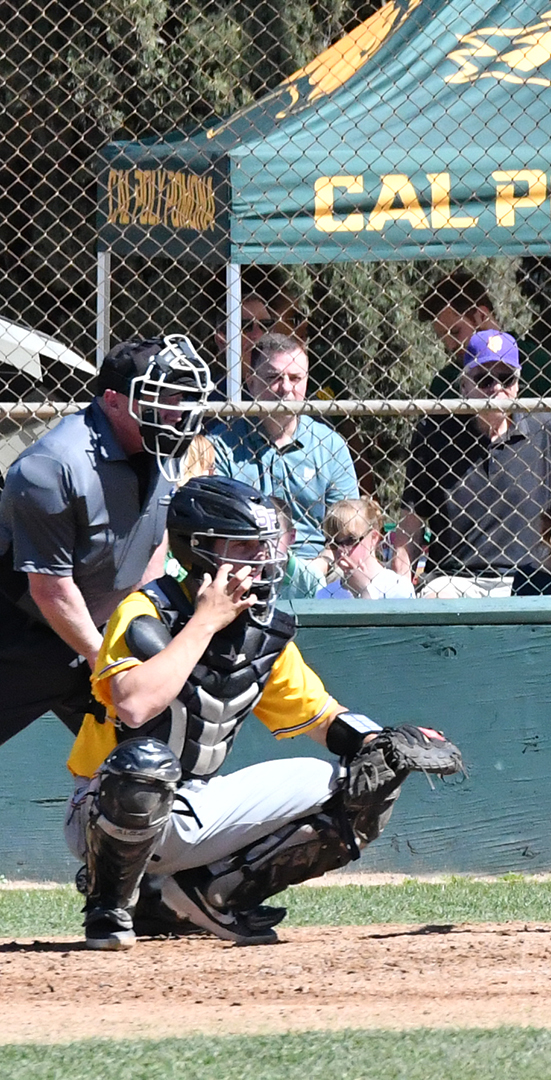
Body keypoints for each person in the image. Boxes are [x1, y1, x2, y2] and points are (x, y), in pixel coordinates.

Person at [65, 476, 461, 949]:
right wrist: (205, 621)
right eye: (244, 546)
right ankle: (109, 905)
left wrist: (383, 741)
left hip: (194, 808)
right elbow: (134, 705)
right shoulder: (145, 610)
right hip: (101, 813)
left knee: (356, 780)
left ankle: (205, 894)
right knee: (146, 762)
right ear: (200, 548)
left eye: (264, 546)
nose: (261, 559)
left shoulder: (260, 632)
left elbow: (323, 717)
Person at [0, 336, 212, 748]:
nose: (177, 412)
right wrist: (108, 662)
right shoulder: (53, 466)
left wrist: (137, 629)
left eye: (182, 398)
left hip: (98, 630)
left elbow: (152, 539)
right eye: (163, 398)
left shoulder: (159, 444)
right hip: (21, 633)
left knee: (152, 750)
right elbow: (51, 590)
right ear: (112, 401)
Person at [394, 330, 551, 596]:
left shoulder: (545, 430)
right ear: (464, 386)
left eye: (506, 379)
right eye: (484, 379)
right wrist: (400, 589)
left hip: (528, 579)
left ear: (517, 386)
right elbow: (412, 522)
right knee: (435, 596)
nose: (496, 388)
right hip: (454, 578)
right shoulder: (435, 433)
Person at [209, 332, 361, 576]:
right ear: (250, 381)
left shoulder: (330, 446)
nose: (286, 388)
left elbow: (348, 529)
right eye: (274, 377)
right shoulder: (221, 445)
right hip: (243, 565)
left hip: (318, 566)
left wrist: (321, 564)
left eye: (295, 378)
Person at [418, 271, 551, 471]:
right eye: (443, 337)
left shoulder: (541, 367)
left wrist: (542, 469)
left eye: (455, 331)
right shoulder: (444, 383)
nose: (450, 345)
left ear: (481, 315)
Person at [316, 498, 414, 600]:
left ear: (373, 538)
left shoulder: (398, 588)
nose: (341, 550)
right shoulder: (325, 594)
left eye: (350, 540)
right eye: (333, 543)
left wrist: (363, 591)